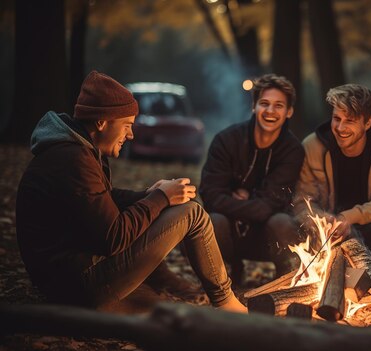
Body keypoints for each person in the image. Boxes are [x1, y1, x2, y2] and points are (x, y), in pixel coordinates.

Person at [16, 71, 246, 313]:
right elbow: (113, 237)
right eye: (126, 125)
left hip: (69, 277)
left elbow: (102, 200)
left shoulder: (78, 150)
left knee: (159, 306)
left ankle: (158, 293)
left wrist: (149, 193)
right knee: (192, 213)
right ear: (102, 122)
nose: (131, 134)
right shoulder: (73, 159)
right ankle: (227, 302)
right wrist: (161, 198)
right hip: (77, 281)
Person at [295, 84, 371, 274]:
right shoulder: (312, 146)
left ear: (368, 123)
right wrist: (321, 220)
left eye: (350, 120)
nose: (340, 128)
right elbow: (302, 200)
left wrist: (349, 217)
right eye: (336, 118)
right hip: (332, 232)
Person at [199, 74, 304, 283]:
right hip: (229, 230)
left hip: (266, 235)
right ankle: (225, 275)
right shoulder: (226, 140)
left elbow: (269, 206)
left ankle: (282, 277)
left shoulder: (293, 150)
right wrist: (253, 204)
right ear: (254, 106)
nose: (271, 111)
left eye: (279, 105)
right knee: (213, 221)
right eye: (264, 103)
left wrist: (240, 199)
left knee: (282, 222)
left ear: (289, 111)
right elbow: (210, 195)